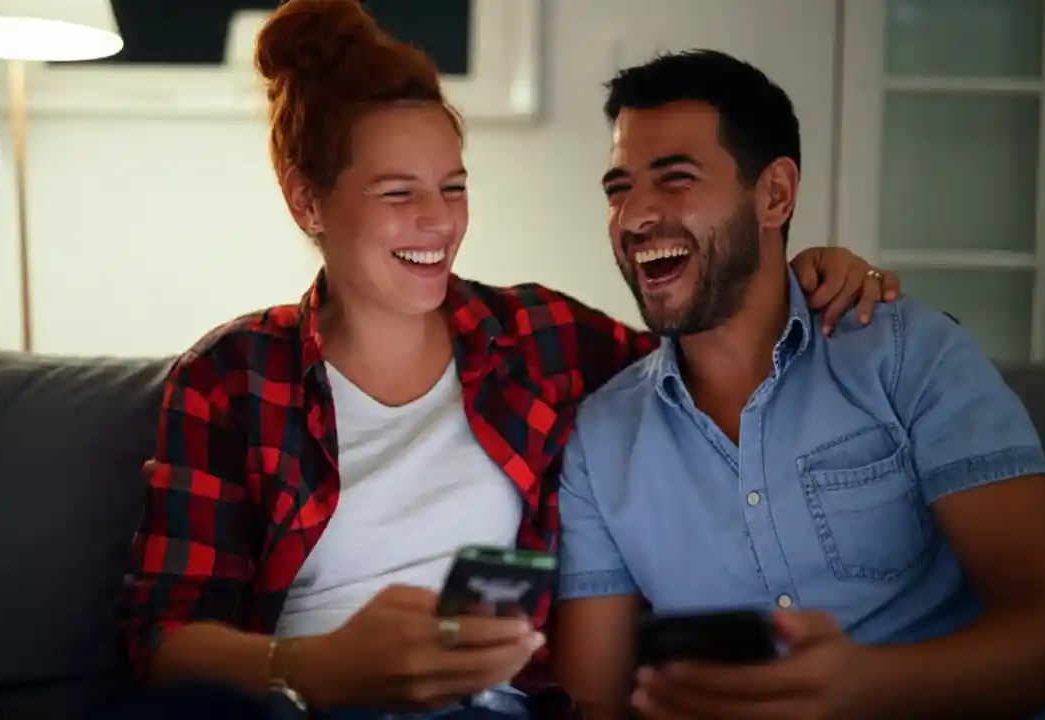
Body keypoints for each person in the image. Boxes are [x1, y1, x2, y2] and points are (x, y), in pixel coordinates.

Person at [116, 3, 900, 718]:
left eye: (452, 188)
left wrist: (801, 270)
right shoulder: (233, 377)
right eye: (398, 193)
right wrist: (320, 666)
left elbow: (711, 355)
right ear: (307, 201)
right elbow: (164, 639)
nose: (437, 221)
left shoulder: (541, 338)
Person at [551, 49, 1045, 720]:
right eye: (618, 188)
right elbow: (592, 705)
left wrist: (862, 687)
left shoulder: (907, 356)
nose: (634, 216)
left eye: (675, 179)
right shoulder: (602, 439)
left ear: (775, 195)